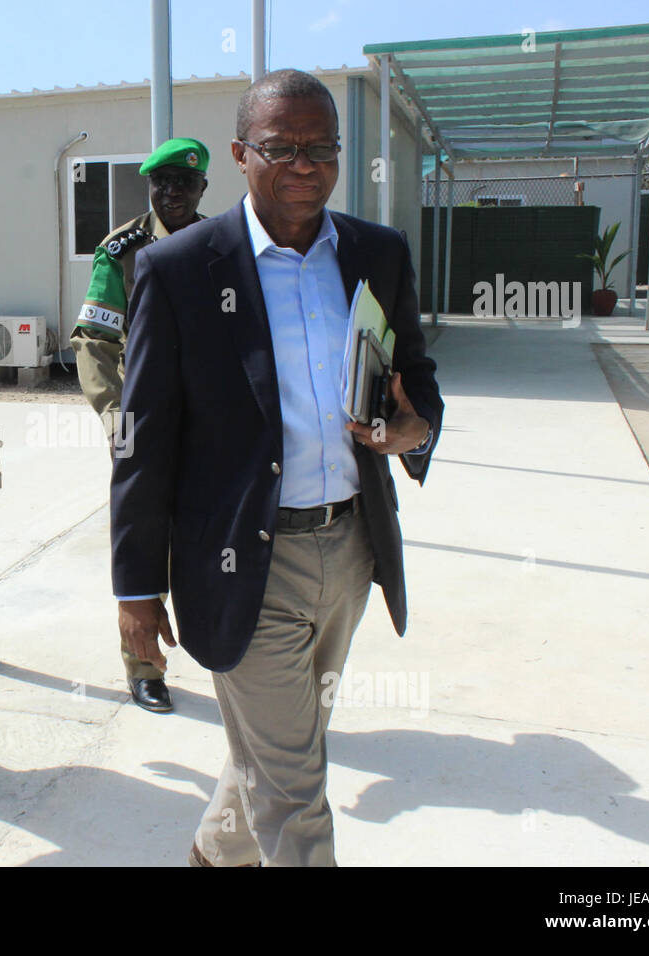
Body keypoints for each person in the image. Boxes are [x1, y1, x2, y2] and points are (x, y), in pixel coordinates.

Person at [110, 70, 443, 866]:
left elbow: (417, 374)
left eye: (321, 147)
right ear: (239, 154)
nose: (304, 164)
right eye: (281, 147)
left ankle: (212, 856)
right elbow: (141, 438)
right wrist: (134, 588)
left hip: (353, 548)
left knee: (283, 747)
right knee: (297, 789)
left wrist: (413, 427)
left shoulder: (377, 254)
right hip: (240, 559)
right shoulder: (180, 269)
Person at [70, 137, 209, 714]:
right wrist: (114, 418)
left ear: (203, 188)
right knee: (142, 540)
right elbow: (94, 342)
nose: (173, 191)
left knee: (210, 535)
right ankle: (144, 666)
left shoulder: (223, 242)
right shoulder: (121, 250)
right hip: (144, 419)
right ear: (148, 187)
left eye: (185, 182)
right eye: (162, 182)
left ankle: (218, 644)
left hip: (210, 421)